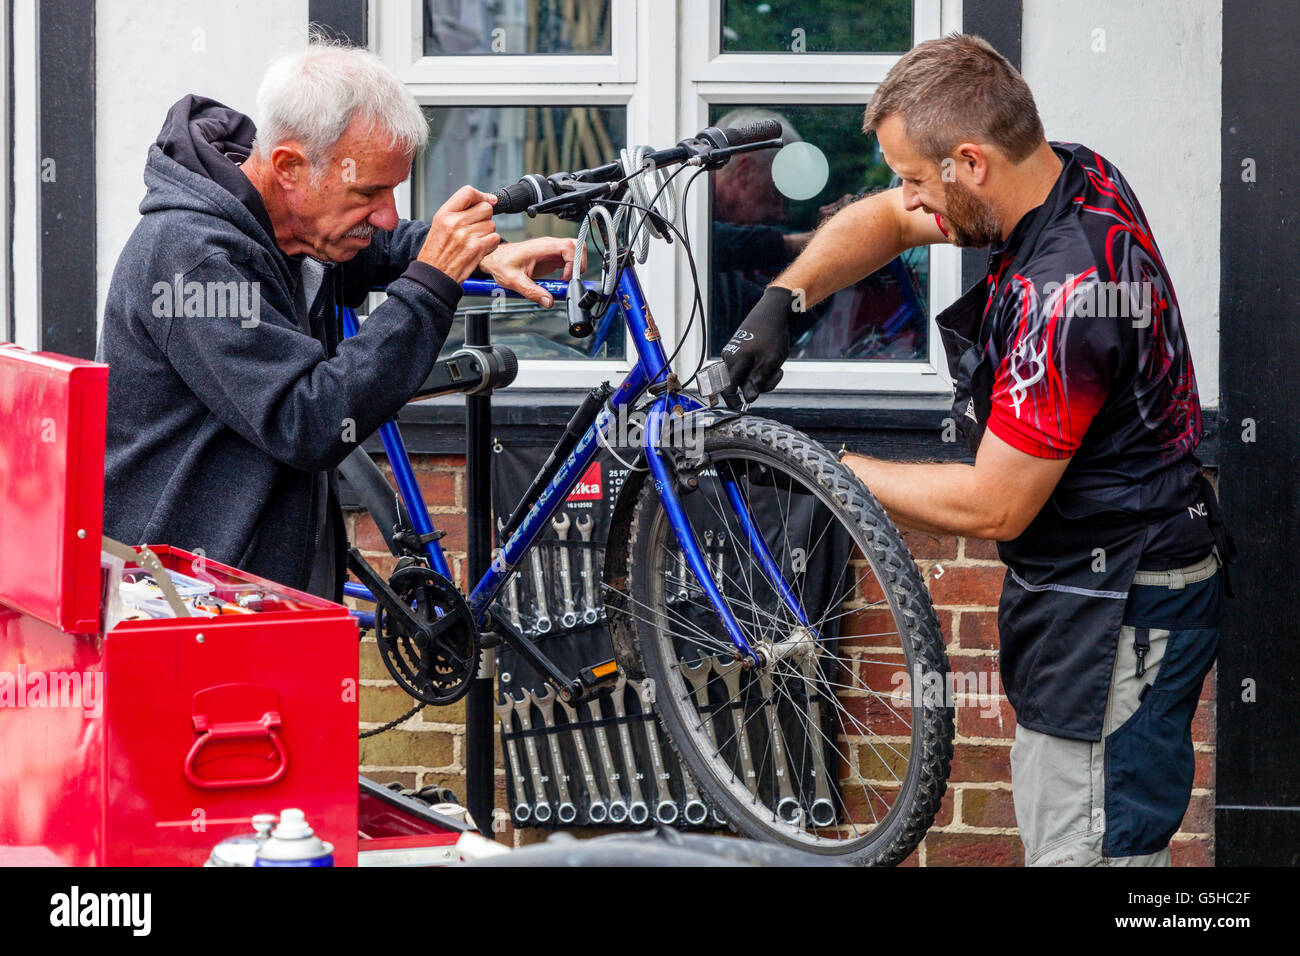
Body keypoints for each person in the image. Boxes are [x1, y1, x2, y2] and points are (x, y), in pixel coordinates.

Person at [721, 33, 1234, 866]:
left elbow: (996, 502)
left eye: (918, 176)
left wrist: (828, 472)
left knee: (1088, 848)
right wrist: (789, 298)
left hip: (1120, 607)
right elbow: (890, 219)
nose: (905, 195)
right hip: (1092, 586)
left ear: (971, 162)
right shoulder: (1072, 174)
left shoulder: (1068, 296)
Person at [98, 41, 573, 601]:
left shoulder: (291, 226)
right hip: (185, 600)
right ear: (290, 166)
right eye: (369, 191)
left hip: (258, 585)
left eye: (394, 189)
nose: (388, 213)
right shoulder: (193, 259)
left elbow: (387, 245)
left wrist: (479, 253)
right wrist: (433, 284)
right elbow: (308, 418)